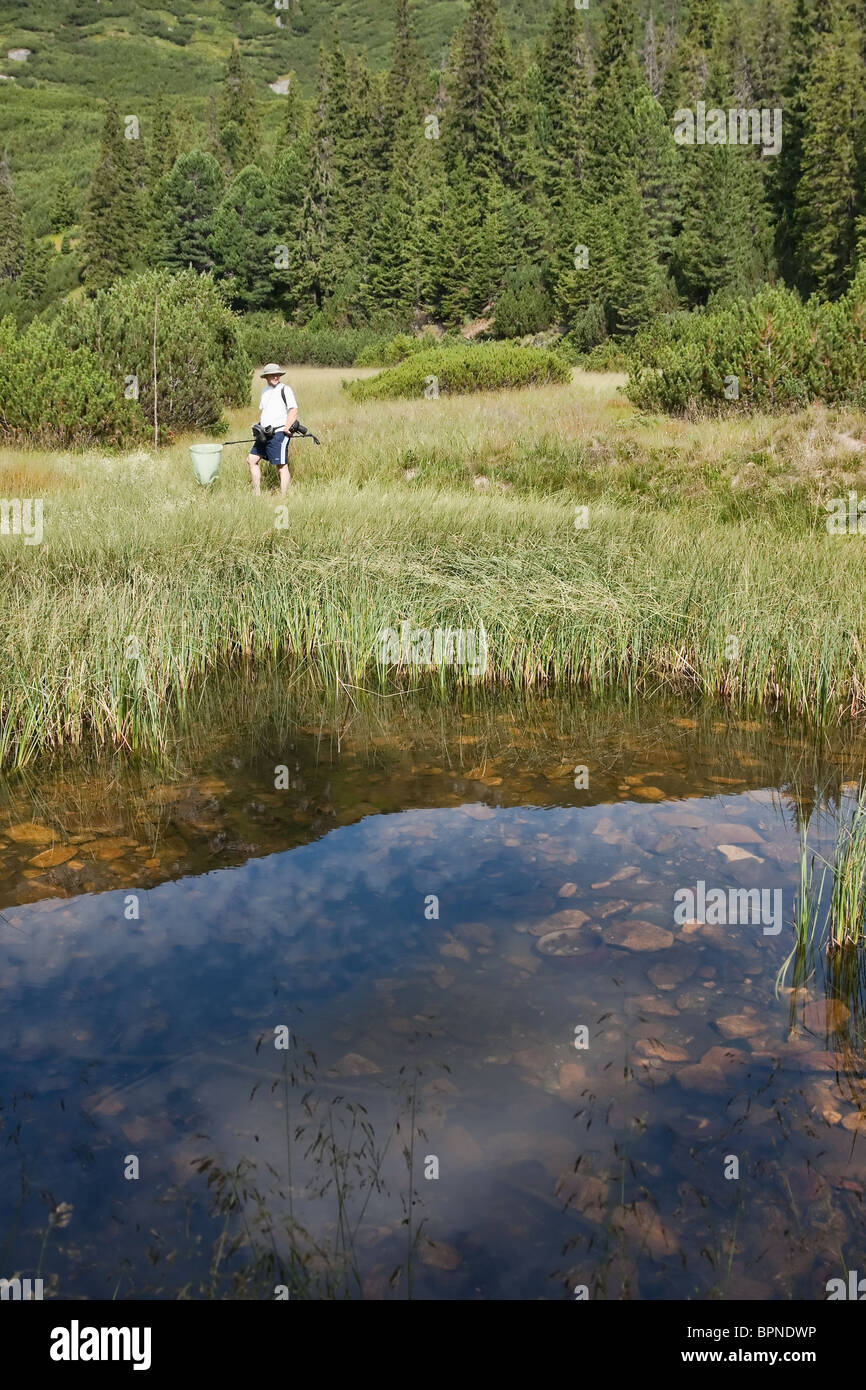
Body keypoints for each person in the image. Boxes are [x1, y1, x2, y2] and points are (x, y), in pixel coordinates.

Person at [247, 363, 298, 495]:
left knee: (281, 466)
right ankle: (257, 495)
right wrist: (259, 427)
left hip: (279, 433)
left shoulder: (285, 389)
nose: (275, 376)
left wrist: (287, 428)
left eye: (277, 374)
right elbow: (265, 411)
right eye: (272, 375)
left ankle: (284, 497)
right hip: (264, 434)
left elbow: (293, 409)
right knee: (251, 460)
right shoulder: (264, 391)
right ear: (266, 377)